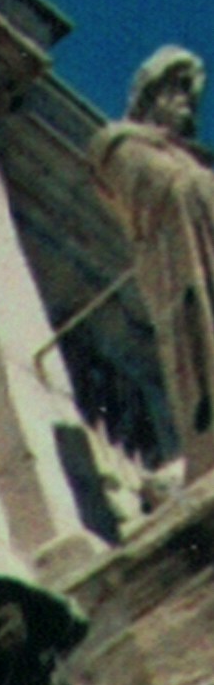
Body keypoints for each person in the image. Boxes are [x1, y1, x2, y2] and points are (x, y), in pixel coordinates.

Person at [89, 48, 214, 473]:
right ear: (151, 92)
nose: (186, 99)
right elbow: (167, 193)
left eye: (190, 92)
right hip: (184, 268)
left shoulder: (191, 157)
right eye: (175, 88)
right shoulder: (119, 146)